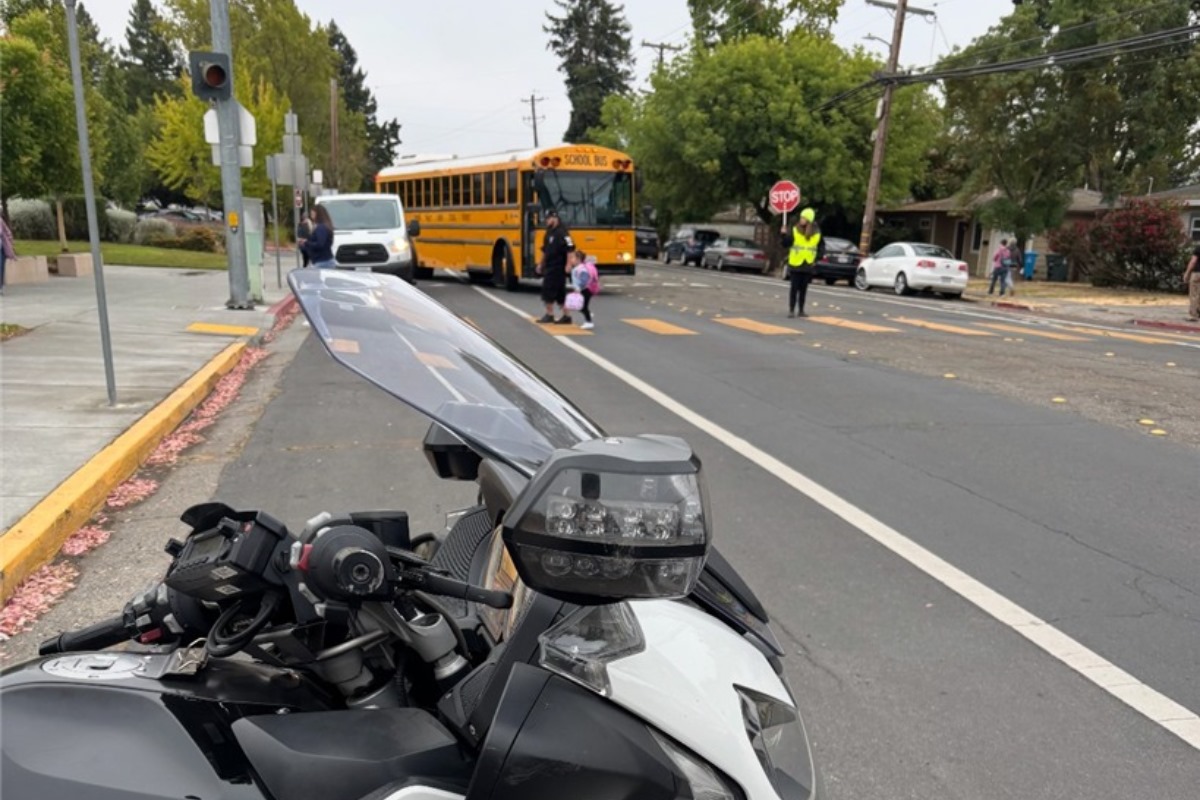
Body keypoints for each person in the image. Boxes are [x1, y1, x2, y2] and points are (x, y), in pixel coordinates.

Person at [780, 207, 823, 317]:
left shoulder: (817, 232)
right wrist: (783, 235)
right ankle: (791, 310)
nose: (801, 219)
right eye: (801, 217)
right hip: (795, 263)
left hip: (808, 264)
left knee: (803, 289)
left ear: (809, 219)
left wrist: (817, 259)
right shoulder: (795, 229)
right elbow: (786, 244)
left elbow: (821, 246)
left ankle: (801, 310)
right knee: (794, 288)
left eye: (803, 218)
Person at [535, 208, 575, 324]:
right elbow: (545, 250)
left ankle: (550, 314)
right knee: (559, 292)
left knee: (549, 290)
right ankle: (566, 315)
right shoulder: (548, 233)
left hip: (558, 266)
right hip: (549, 265)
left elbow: (570, 249)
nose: (546, 221)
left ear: (554, 218)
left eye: (548, 219)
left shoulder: (563, 232)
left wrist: (568, 264)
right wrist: (540, 264)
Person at [569, 249, 601, 330]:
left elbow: (584, 280)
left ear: (578, 259)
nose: (570, 260)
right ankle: (588, 314)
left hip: (586, 290)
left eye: (572, 258)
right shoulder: (577, 268)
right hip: (584, 289)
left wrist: (579, 288)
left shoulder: (582, 269)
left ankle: (589, 322)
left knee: (582, 307)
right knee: (581, 306)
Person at [303, 205, 336, 269]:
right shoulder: (324, 226)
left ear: (318, 213)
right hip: (324, 261)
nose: (311, 214)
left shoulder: (321, 227)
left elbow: (320, 244)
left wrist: (307, 243)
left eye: (312, 213)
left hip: (322, 262)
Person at [0, 212, 14, 295]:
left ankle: (0, 286)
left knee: (0, 267)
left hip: (1, 248)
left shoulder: (1, 221)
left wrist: (9, 243)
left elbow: (8, 233)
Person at [1186, 245, 1200, 322]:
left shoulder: (1198, 248)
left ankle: (1194, 315)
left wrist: (1187, 273)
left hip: (1197, 273)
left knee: (1194, 294)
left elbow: (1193, 261)